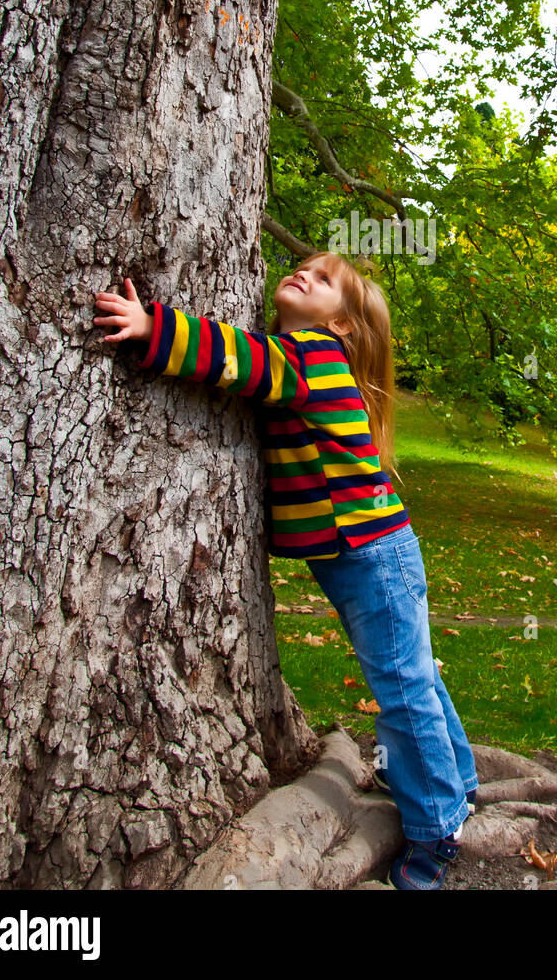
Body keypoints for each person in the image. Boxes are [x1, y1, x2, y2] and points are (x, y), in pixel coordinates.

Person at [92, 250, 478, 890]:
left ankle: (436, 829)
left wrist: (150, 325)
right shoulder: (307, 357)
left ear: (343, 326)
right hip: (370, 552)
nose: (303, 274)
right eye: (303, 266)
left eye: (323, 280)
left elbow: (237, 358)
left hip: (371, 554)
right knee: (414, 678)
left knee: (404, 687)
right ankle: (454, 779)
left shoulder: (310, 355)